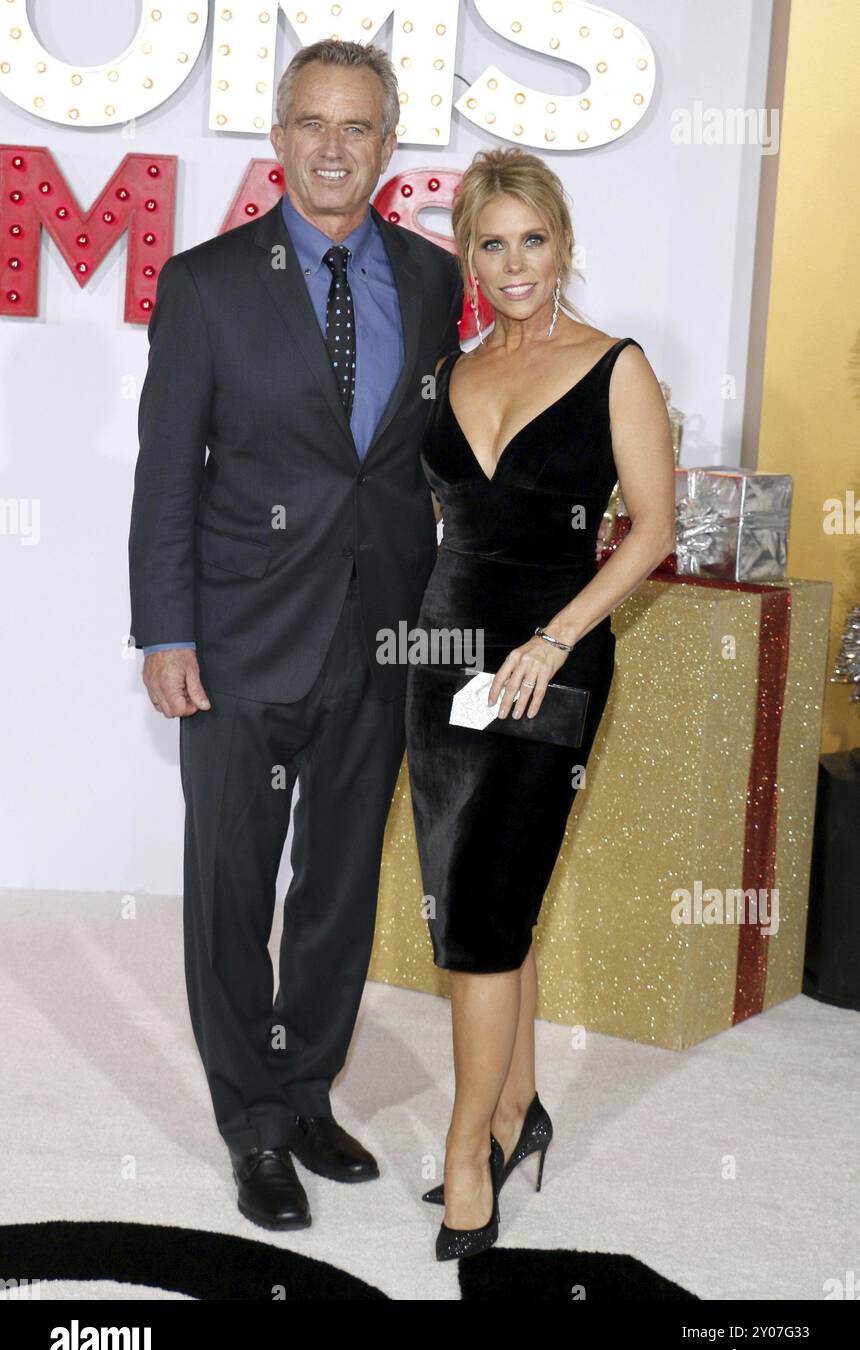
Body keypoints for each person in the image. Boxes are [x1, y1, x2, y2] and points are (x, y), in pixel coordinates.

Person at [128, 39, 462, 1231]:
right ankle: (252, 1125)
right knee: (229, 886)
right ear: (277, 139)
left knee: (334, 885)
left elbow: (436, 460)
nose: (334, 145)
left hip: (379, 639)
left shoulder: (430, 283)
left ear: (387, 145)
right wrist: (166, 630)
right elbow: (167, 473)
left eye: (358, 125)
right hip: (235, 638)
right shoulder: (209, 282)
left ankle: (306, 1086)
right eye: (312, 123)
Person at [404, 147, 676, 1260]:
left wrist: (553, 638)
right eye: (490, 243)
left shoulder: (614, 365)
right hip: (444, 658)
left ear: (562, 244)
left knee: (476, 917)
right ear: (467, 254)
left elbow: (653, 530)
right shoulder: (453, 370)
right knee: (481, 907)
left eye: (533, 239)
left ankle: (467, 1152)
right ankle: (517, 1110)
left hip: (548, 663)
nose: (515, 264)